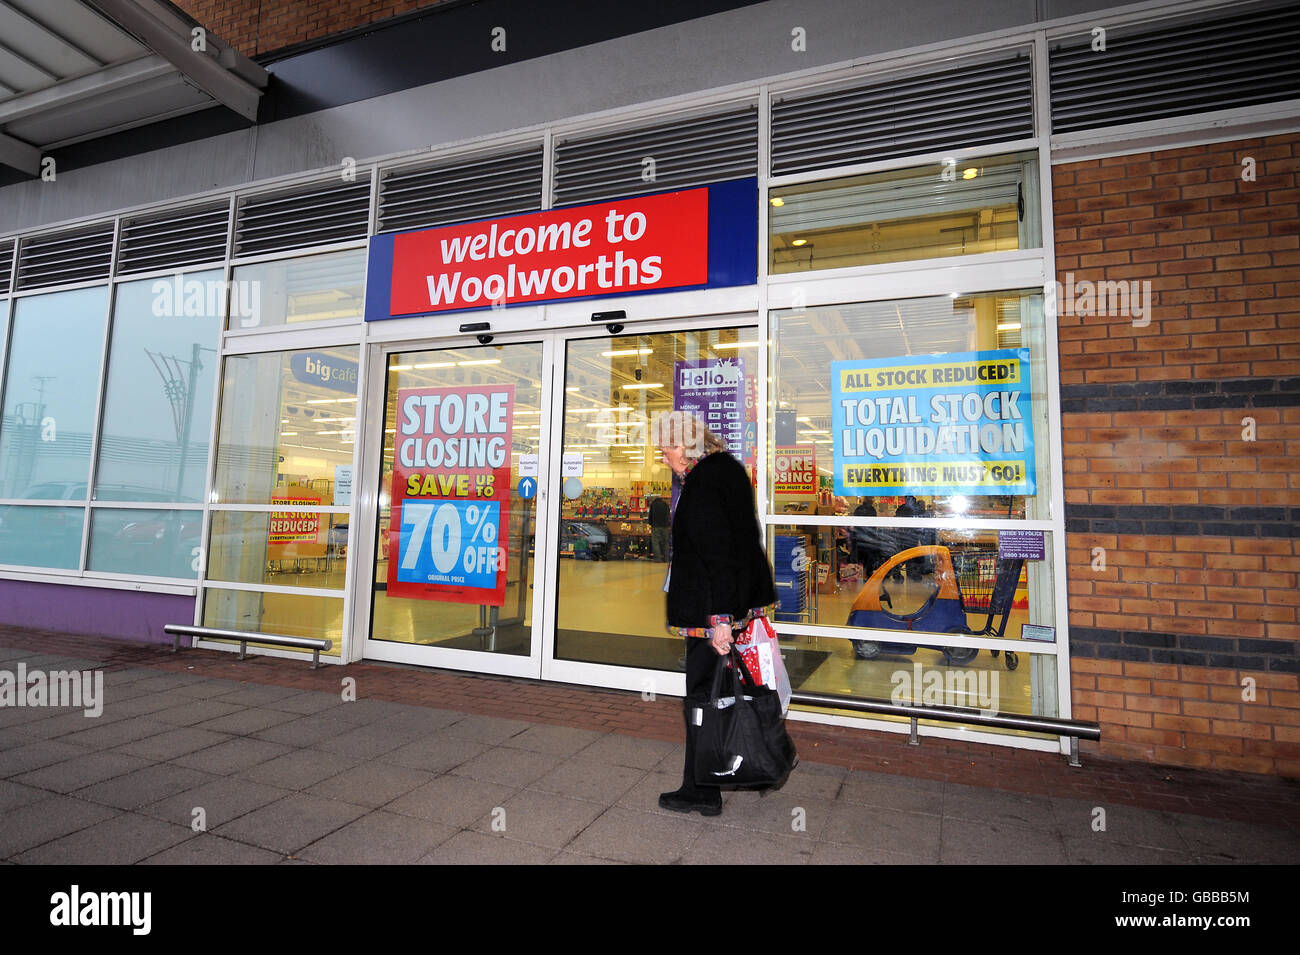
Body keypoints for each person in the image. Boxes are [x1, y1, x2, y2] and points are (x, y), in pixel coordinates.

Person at [653, 410, 777, 816]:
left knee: (703, 698)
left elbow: (719, 554)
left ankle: (703, 788)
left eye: (667, 449)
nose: (664, 457)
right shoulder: (726, 470)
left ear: (686, 446)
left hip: (712, 612)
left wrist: (721, 620)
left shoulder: (704, 483)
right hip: (729, 603)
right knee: (716, 696)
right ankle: (711, 779)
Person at [648, 495, 670, 562]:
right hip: (665, 526)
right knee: (665, 543)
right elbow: (668, 515)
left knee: (655, 543)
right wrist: (668, 524)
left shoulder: (653, 505)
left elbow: (650, 515)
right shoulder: (665, 504)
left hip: (656, 526)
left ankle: (658, 559)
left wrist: (651, 524)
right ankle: (666, 559)